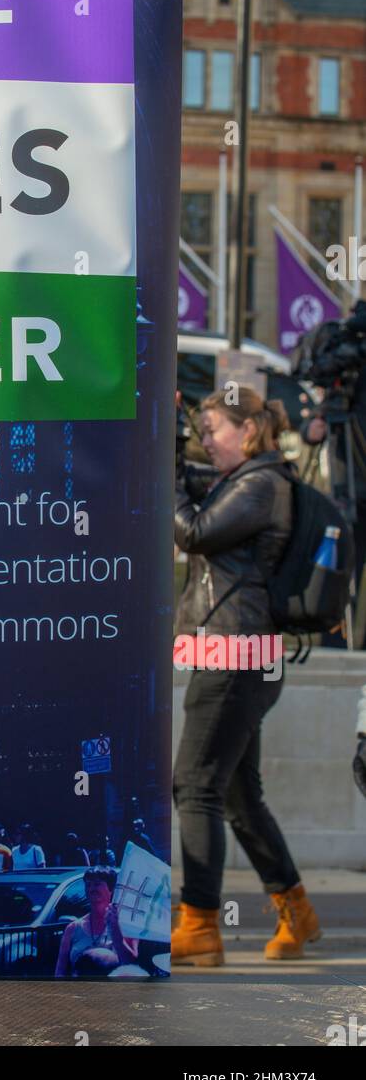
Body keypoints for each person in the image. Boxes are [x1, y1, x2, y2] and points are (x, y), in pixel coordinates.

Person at [172, 387, 320, 967]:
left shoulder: (260, 485)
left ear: (248, 432)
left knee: (194, 786)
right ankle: (297, 912)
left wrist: (167, 474)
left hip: (234, 654)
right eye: (201, 432)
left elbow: (194, 533)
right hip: (241, 654)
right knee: (237, 795)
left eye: (213, 431)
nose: (205, 441)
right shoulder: (250, 479)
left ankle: (201, 924)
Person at [55, 867, 137, 977]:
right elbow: (60, 971)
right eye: (88, 885)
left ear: (111, 889)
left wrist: (115, 929)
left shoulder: (127, 926)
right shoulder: (73, 928)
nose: (92, 889)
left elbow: (131, 963)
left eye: (97, 884)